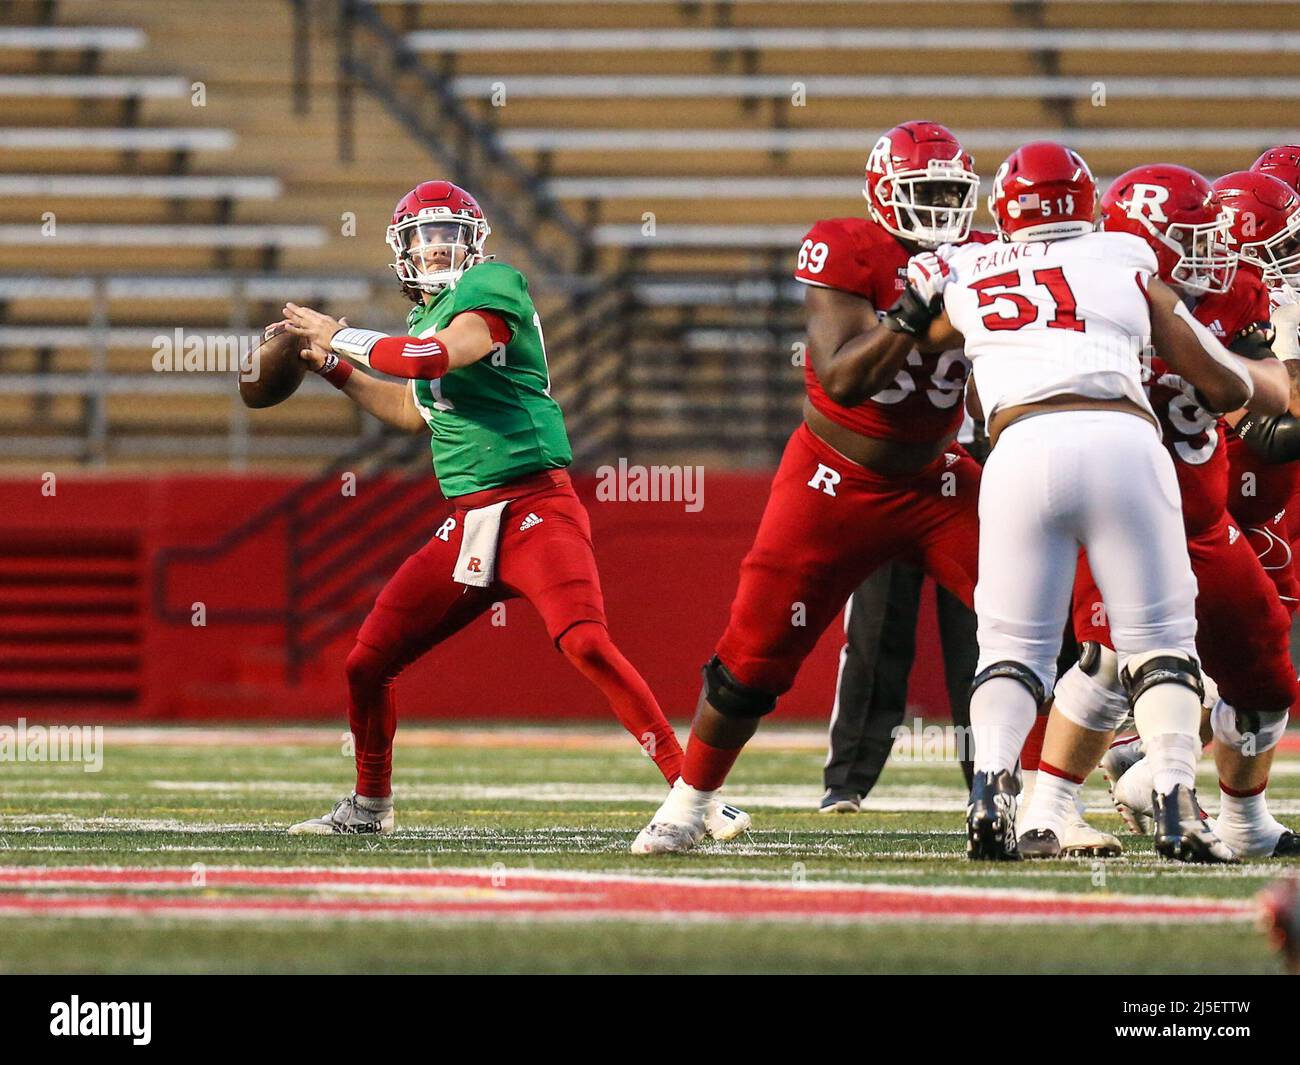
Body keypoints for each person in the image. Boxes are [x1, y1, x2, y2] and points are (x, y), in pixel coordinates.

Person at [277, 180, 748, 840]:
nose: (437, 245)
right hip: (469, 521)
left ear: (474, 244)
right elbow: (415, 411)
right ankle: (369, 806)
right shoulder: (419, 319)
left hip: (534, 506)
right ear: (403, 249)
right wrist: (334, 369)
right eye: (424, 235)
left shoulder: (492, 286)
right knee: (366, 662)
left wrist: (341, 333)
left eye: (449, 233)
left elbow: (431, 358)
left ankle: (695, 793)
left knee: (585, 639)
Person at [891, 142, 1289, 861]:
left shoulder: (970, 267)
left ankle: (990, 787)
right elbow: (1229, 386)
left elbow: (939, 353)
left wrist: (914, 305)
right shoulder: (1124, 261)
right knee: (1157, 644)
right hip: (1121, 446)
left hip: (1022, 447)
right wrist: (1247, 383)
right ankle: (1169, 792)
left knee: (1011, 649)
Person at [632, 121, 990, 854]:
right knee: (753, 661)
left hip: (935, 475)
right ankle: (692, 800)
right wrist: (911, 315)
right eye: (927, 192)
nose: (944, 207)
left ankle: (1058, 794)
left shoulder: (985, 255)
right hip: (835, 480)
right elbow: (844, 376)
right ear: (884, 194)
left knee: (1048, 615)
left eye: (954, 192)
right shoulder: (847, 246)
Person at [1018, 165, 1300, 859]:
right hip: (1117, 502)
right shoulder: (1090, 297)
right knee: (1110, 658)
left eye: (1213, 236)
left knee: (1265, 664)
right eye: (1192, 239)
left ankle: (1244, 818)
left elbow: (1268, 398)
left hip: (1204, 517)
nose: (1213, 253)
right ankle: (1049, 805)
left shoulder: (1235, 290)